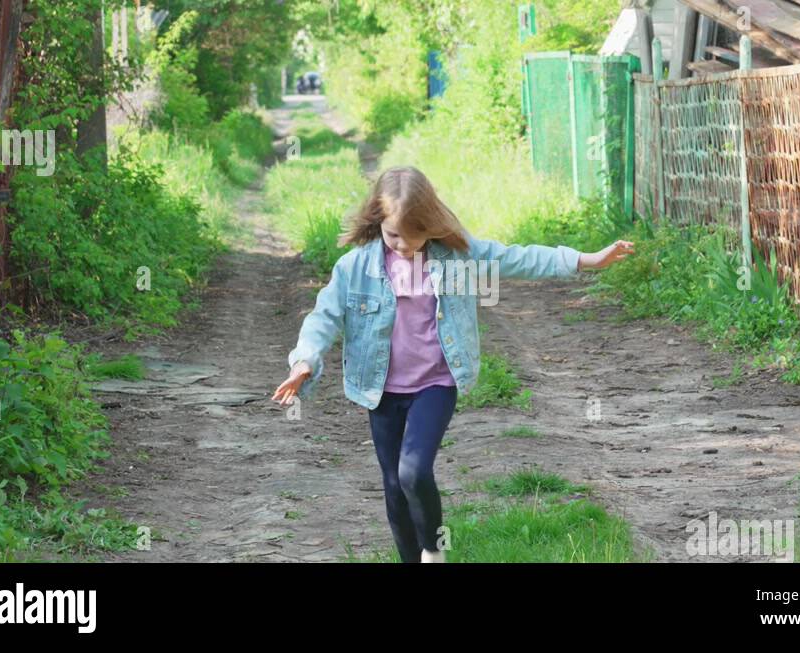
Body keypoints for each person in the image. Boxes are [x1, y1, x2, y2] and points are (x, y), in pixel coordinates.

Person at [272, 166, 634, 562]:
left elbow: (518, 258)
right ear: (377, 221)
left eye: (415, 237)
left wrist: (586, 260)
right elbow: (323, 317)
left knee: (413, 472)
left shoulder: (457, 257)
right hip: (381, 390)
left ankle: (434, 551)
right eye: (393, 236)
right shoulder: (353, 267)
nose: (404, 246)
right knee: (393, 486)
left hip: (435, 383)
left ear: (431, 224)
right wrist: (304, 362)